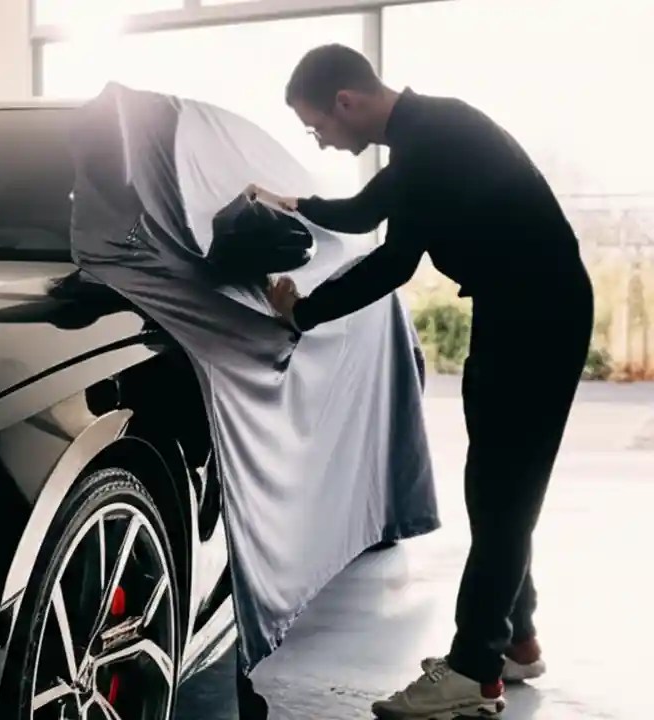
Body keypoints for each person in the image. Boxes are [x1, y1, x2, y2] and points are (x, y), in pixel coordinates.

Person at [249, 44, 594, 719]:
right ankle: (514, 641)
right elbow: (363, 210)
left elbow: (390, 263)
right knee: (496, 488)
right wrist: (292, 202)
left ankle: (473, 674)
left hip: (536, 317)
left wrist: (303, 312)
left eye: (316, 124)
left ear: (346, 102)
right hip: (525, 309)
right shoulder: (428, 134)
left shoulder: (430, 144)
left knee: (502, 493)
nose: (319, 138)